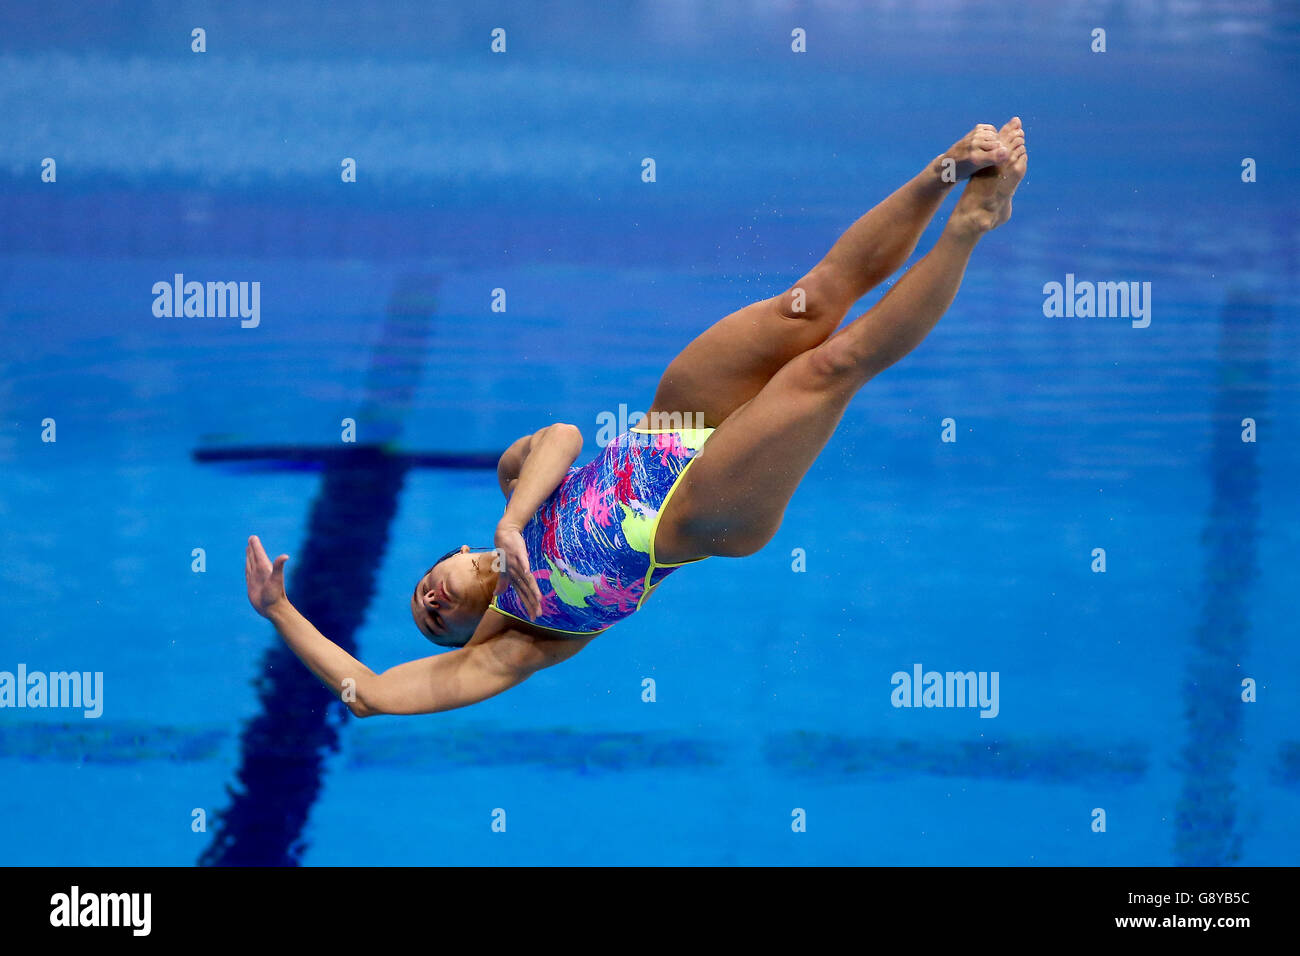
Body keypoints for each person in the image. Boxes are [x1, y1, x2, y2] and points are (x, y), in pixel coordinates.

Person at [245, 119, 1028, 716]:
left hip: (671, 418)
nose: (431, 605)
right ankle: (969, 228)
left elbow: (563, 437)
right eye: (435, 625)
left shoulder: (514, 489)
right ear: (462, 640)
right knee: (831, 367)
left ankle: (947, 169)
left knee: (814, 301)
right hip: (695, 518)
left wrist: (516, 522)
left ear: (450, 552)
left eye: (423, 590)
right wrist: (281, 609)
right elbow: (372, 694)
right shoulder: (519, 643)